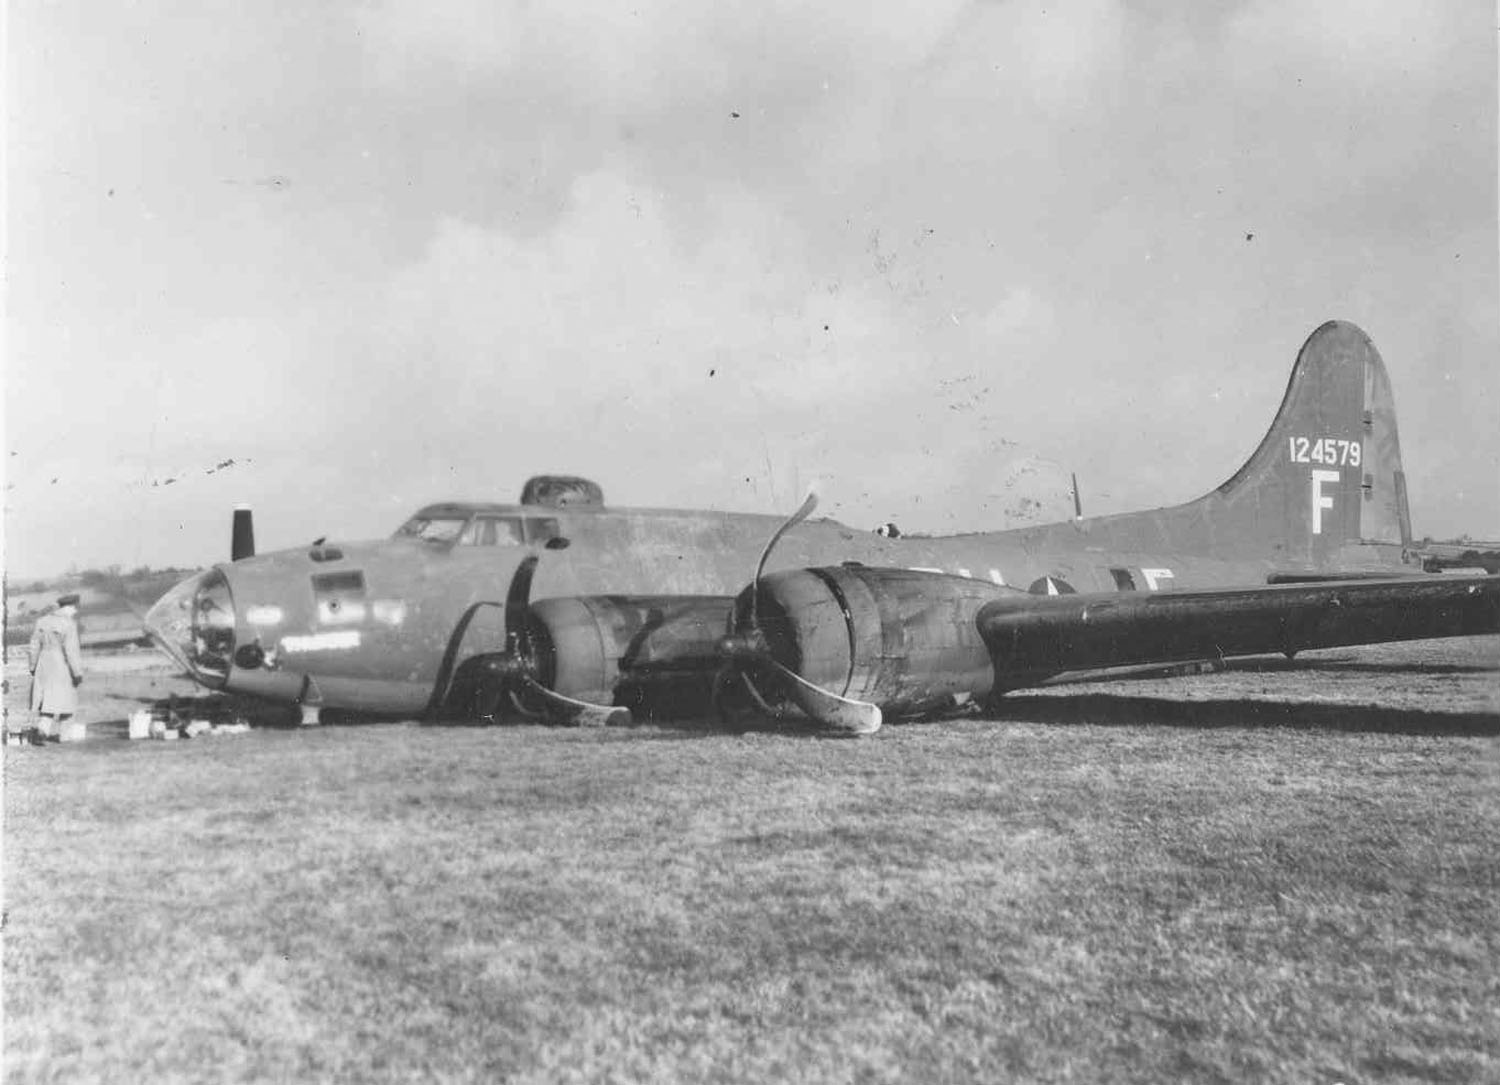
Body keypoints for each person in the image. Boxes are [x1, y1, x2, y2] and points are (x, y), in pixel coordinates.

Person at [26, 593, 84, 744]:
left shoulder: (41, 621)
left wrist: (32, 666)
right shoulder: (69, 624)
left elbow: (33, 646)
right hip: (61, 665)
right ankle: (65, 736)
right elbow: (71, 652)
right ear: (70, 608)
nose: (76, 612)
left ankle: (42, 730)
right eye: (75, 608)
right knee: (67, 701)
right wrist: (77, 673)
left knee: (47, 701)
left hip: (43, 664)